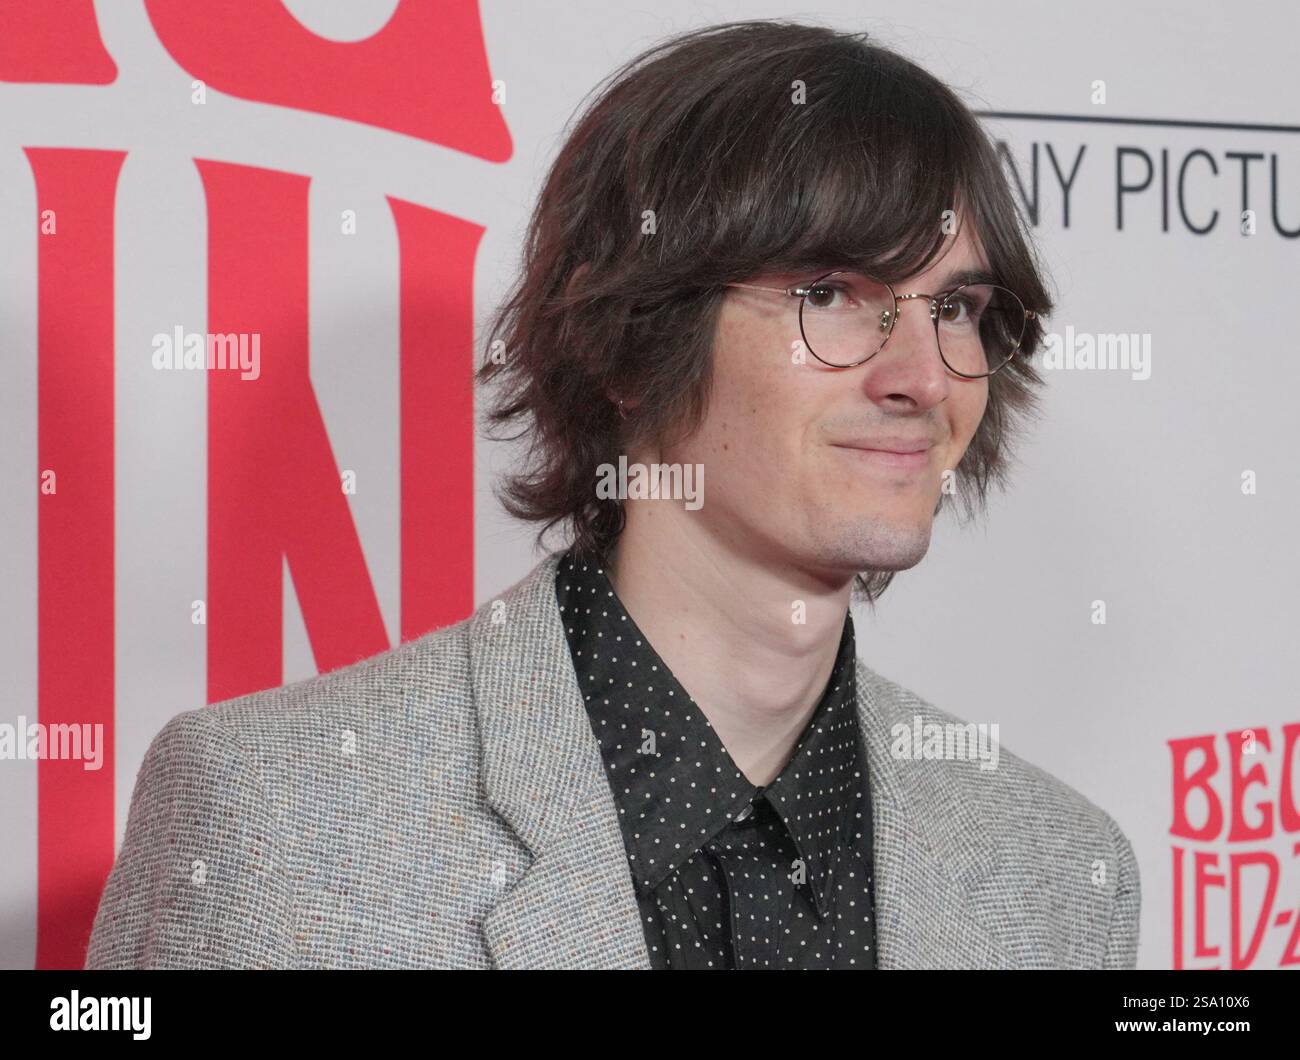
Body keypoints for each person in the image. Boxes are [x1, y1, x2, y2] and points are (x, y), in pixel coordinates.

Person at [85, 19, 1139, 970]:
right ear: (634, 344)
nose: (918, 374)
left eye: (955, 308)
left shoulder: (1056, 874)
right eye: (831, 295)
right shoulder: (276, 821)